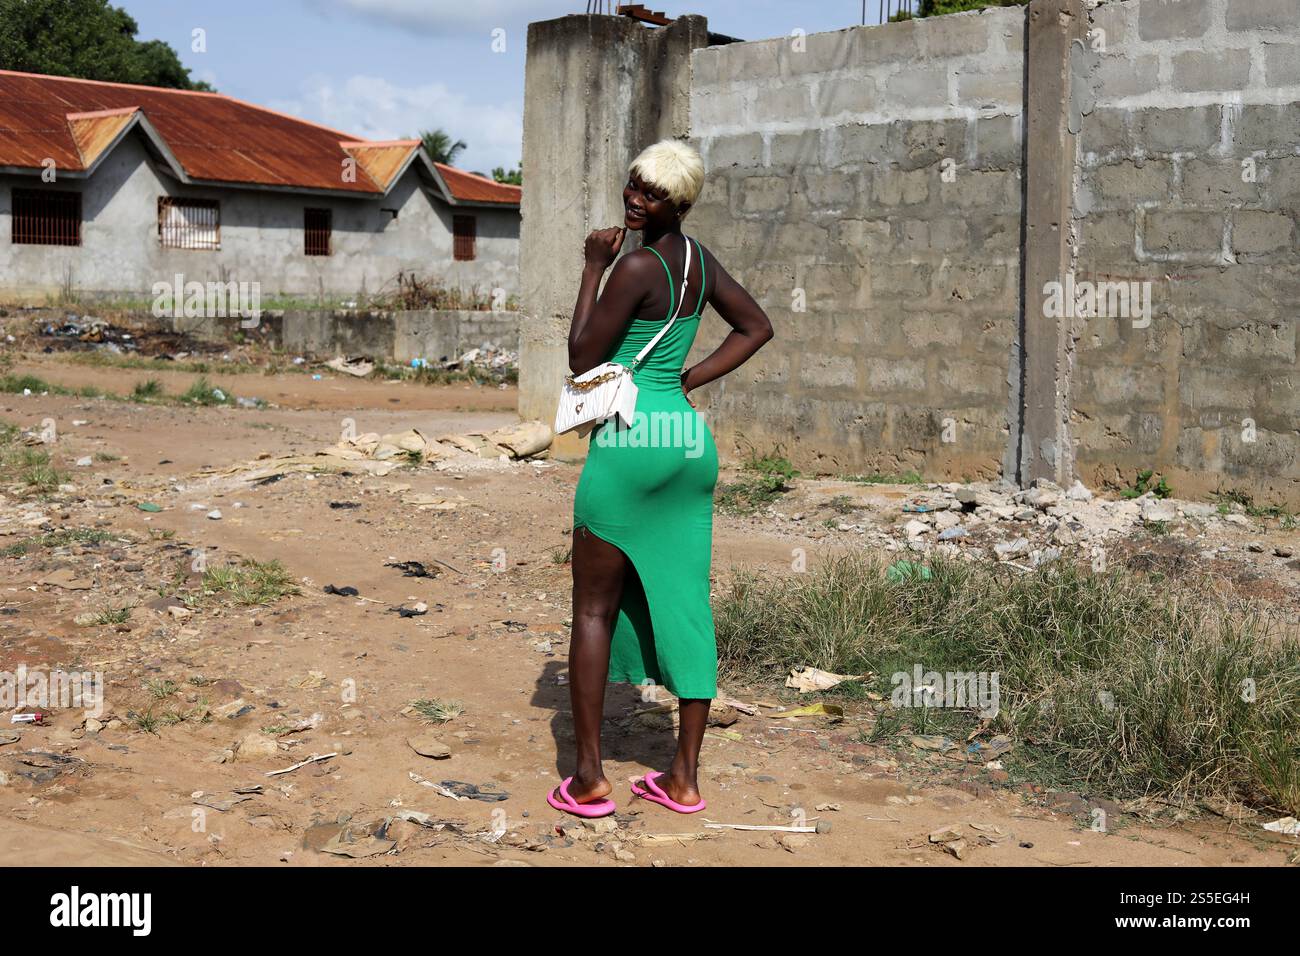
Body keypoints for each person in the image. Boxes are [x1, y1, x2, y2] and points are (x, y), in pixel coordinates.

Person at [548, 139, 773, 817]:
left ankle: (588, 780)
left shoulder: (635, 266)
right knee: (686, 601)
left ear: (677, 205)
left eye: (651, 195)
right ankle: (683, 779)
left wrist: (594, 267)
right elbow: (756, 326)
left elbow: (585, 352)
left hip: (631, 439)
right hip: (685, 440)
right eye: (633, 185)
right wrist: (689, 378)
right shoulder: (699, 263)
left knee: (593, 604)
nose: (634, 199)